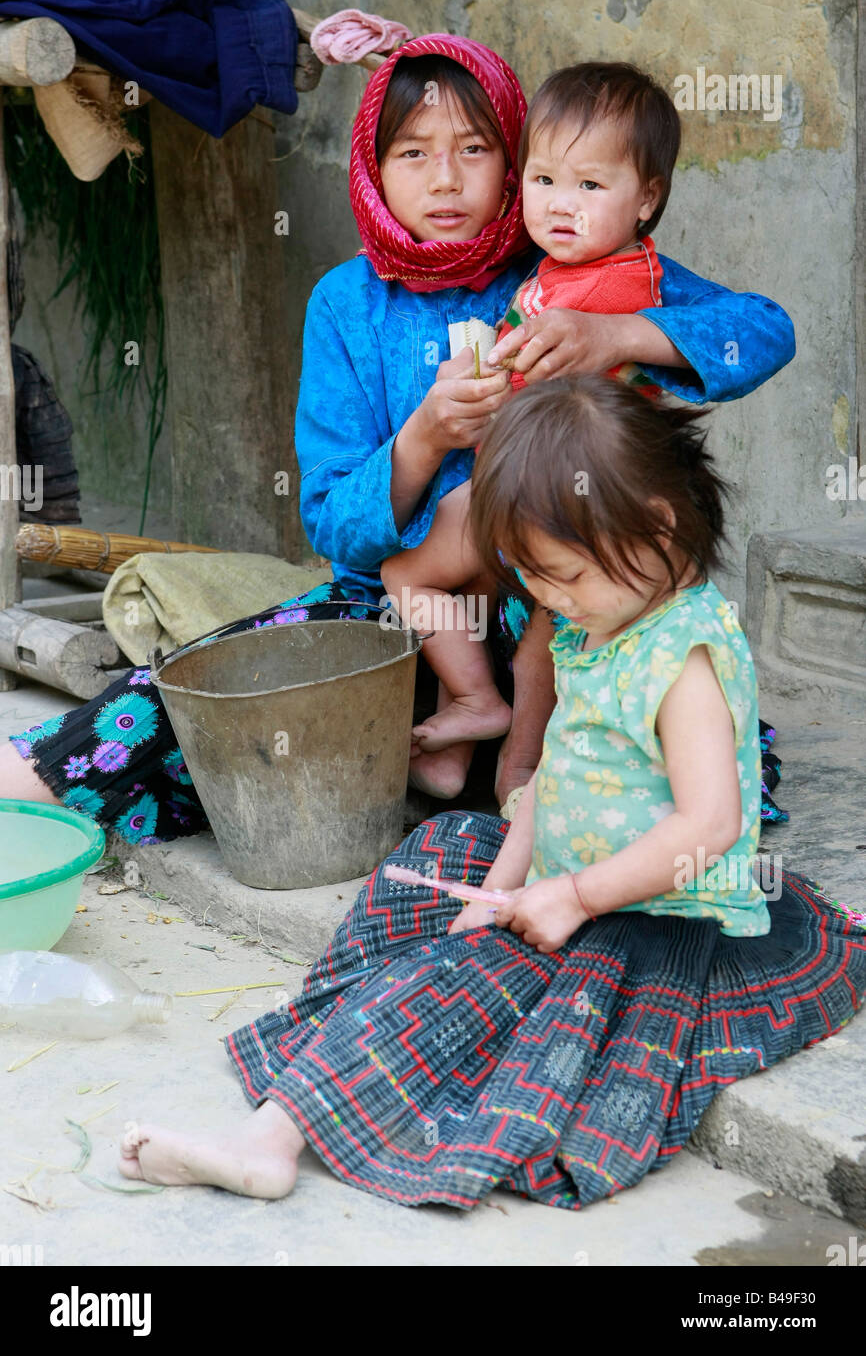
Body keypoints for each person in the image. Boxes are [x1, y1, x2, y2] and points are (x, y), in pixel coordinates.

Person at [0, 33, 795, 838]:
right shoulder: (347, 305)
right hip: (398, 613)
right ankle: (43, 781)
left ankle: (505, 766)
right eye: (412, 153)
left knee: (684, 736)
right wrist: (423, 437)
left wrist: (621, 338)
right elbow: (334, 521)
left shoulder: (568, 257)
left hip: (559, 603)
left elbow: (762, 330)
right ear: (373, 170)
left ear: (513, 159)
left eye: (476, 149)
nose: (445, 180)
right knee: (216, 695)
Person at [117, 375, 866, 1208]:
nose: (549, 601)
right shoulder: (604, 624)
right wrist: (500, 887)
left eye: (565, 576)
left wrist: (575, 896)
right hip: (574, 876)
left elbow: (713, 824)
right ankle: (339, 1053)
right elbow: (557, 777)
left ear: (656, 526)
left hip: (653, 911)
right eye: (533, 581)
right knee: (437, 863)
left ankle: (272, 1141)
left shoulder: (679, 658)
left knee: (467, 977)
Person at [381, 60, 674, 755]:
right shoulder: (556, 267)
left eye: (590, 185)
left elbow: (761, 329)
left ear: (646, 198)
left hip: (572, 501)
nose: (561, 205)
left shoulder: (613, 286)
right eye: (544, 181)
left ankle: (501, 746)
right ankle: (486, 728)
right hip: (513, 489)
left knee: (532, 641)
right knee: (439, 592)